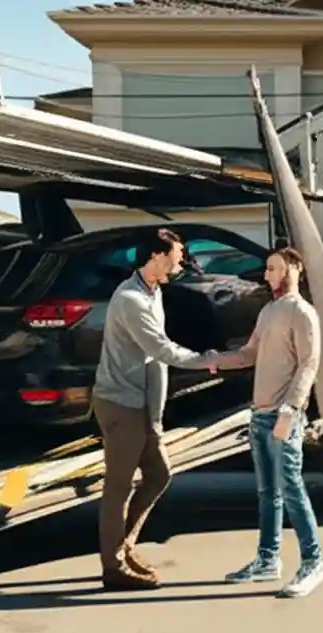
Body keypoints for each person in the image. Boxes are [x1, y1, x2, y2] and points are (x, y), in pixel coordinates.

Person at [92, 227, 218, 591]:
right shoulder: (130, 299)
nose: (181, 262)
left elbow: (153, 360)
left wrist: (156, 416)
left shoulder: (153, 292)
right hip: (121, 403)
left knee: (160, 474)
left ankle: (124, 546)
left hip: (142, 405)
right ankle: (113, 568)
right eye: (177, 255)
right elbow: (162, 350)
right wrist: (212, 360)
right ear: (157, 256)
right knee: (118, 487)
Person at [208, 246, 323, 598]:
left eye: (274, 268)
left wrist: (290, 411)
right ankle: (267, 560)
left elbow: (309, 364)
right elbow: (250, 353)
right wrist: (218, 360)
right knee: (268, 493)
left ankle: (313, 562)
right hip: (260, 414)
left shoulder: (303, 313)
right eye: (267, 269)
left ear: (294, 267)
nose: (267, 275)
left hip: (283, 416)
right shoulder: (268, 311)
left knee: (291, 488)